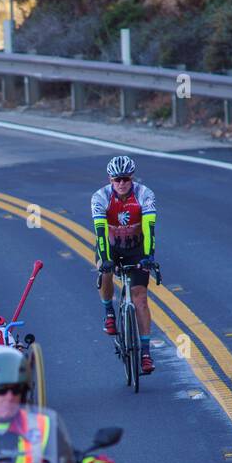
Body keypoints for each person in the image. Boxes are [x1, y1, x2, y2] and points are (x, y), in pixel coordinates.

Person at [92, 154, 158, 374]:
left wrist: (149, 256)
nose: (121, 183)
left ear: (132, 177)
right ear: (110, 179)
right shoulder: (100, 197)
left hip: (136, 248)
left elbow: (149, 229)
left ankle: (146, 354)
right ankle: (109, 312)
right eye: (116, 179)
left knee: (140, 297)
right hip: (111, 247)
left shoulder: (144, 194)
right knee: (105, 269)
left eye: (125, 179)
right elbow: (100, 233)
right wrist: (106, 260)